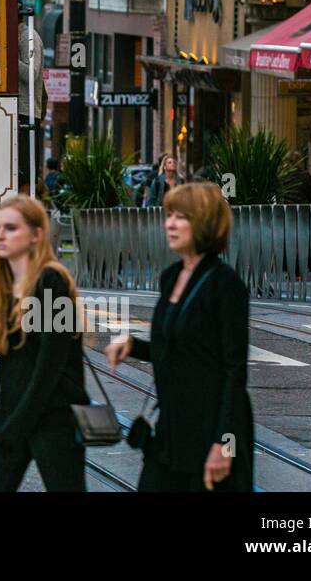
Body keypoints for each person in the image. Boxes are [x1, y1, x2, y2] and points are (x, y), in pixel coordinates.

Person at [106, 182, 253, 492]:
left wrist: (224, 445)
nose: (170, 223)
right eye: (168, 214)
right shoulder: (171, 276)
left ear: (205, 223)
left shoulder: (226, 286)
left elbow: (234, 371)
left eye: (181, 217)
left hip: (210, 429)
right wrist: (133, 345)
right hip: (172, 429)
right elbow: (176, 346)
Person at [0, 195, 88, 492]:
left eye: (11, 228)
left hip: (54, 418)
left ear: (37, 234)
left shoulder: (52, 282)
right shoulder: (3, 285)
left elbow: (50, 366)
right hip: (15, 415)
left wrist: (16, 424)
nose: (0, 235)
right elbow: (14, 366)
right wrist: (5, 419)